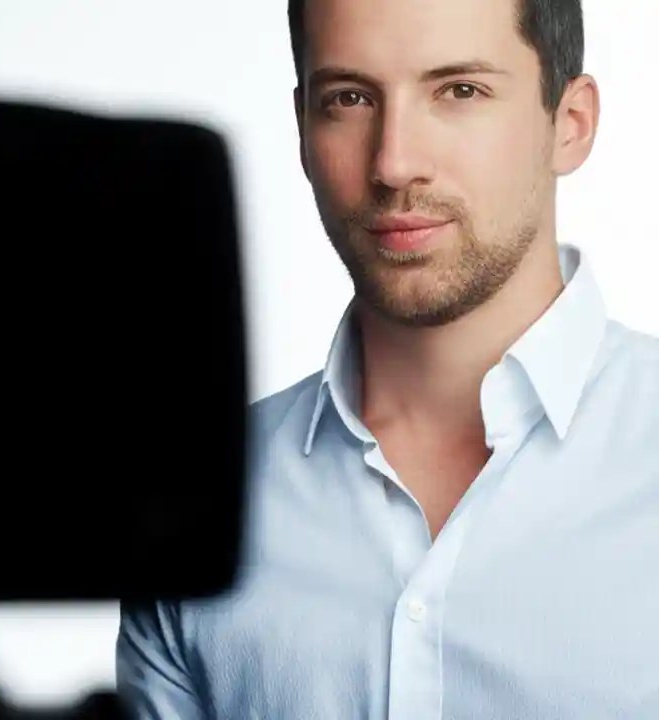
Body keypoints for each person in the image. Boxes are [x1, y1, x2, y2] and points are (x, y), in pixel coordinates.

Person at [117, 0, 659, 717]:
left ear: (571, 122)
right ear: (303, 128)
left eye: (459, 90)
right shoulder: (198, 494)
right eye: (349, 98)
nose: (394, 163)